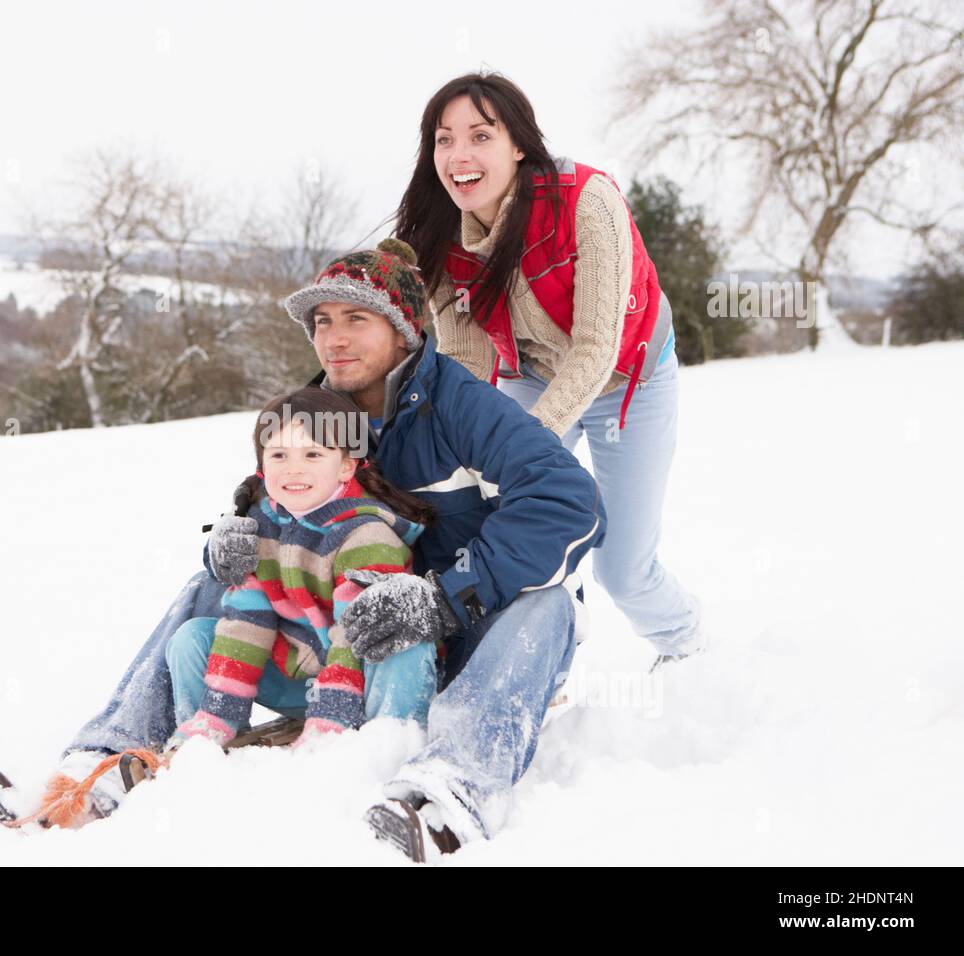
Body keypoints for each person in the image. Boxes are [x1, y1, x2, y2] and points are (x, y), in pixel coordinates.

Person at [45, 239, 606, 859]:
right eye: (322, 322)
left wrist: (447, 597)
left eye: (356, 319)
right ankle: (112, 756)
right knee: (213, 581)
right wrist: (237, 532)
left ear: (404, 329)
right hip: (349, 639)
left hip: (466, 638)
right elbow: (284, 510)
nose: (334, 338)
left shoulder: (461, 406)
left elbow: (568, 501)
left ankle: (447, 794)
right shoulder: (317, 414)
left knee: (548, 603)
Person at [394, 72, 703, 668]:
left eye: (480, 136)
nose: (458, 155)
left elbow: (595, 348)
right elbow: (465, 360)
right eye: (443, 139)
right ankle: (545, 649)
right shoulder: (441, 234)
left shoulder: (585, 200)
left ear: (518, 145)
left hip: (628, 379)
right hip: (532, 374)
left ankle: (686, 647)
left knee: (624, 570)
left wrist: (526, 441)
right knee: (506, 517)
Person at [163, 387, 438, 756]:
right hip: (300, 681)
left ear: (346, 463)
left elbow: (352, 637)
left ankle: (389, 747)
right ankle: (205, 742)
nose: (294, 468)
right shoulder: (259, 528)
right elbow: (246, 621)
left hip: (365, 681)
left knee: (403, 649)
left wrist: (330, 723)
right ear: (261, 466)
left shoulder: (366, 535)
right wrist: (219, 713)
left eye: (312, 454)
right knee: (192, 638)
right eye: (279, 454)